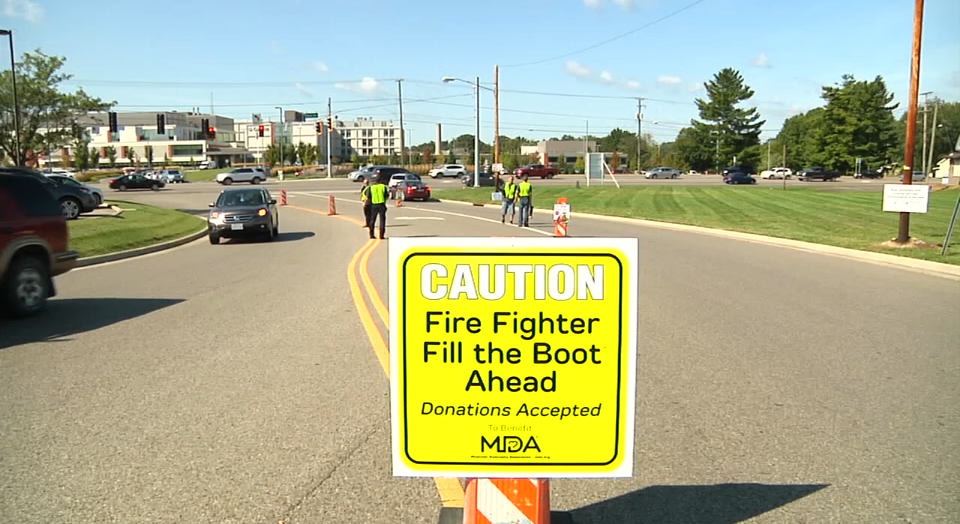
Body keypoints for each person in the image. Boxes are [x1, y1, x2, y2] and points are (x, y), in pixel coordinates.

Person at [364, 173, 389, 239]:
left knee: (372, 220)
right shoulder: (383, 187)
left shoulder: (371, 187)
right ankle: (381, 235)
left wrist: (365, 204)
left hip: (373, 205)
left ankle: (371, 234)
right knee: (382, 220)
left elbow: (368, 197)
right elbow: (386, 196)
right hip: (382, 205)